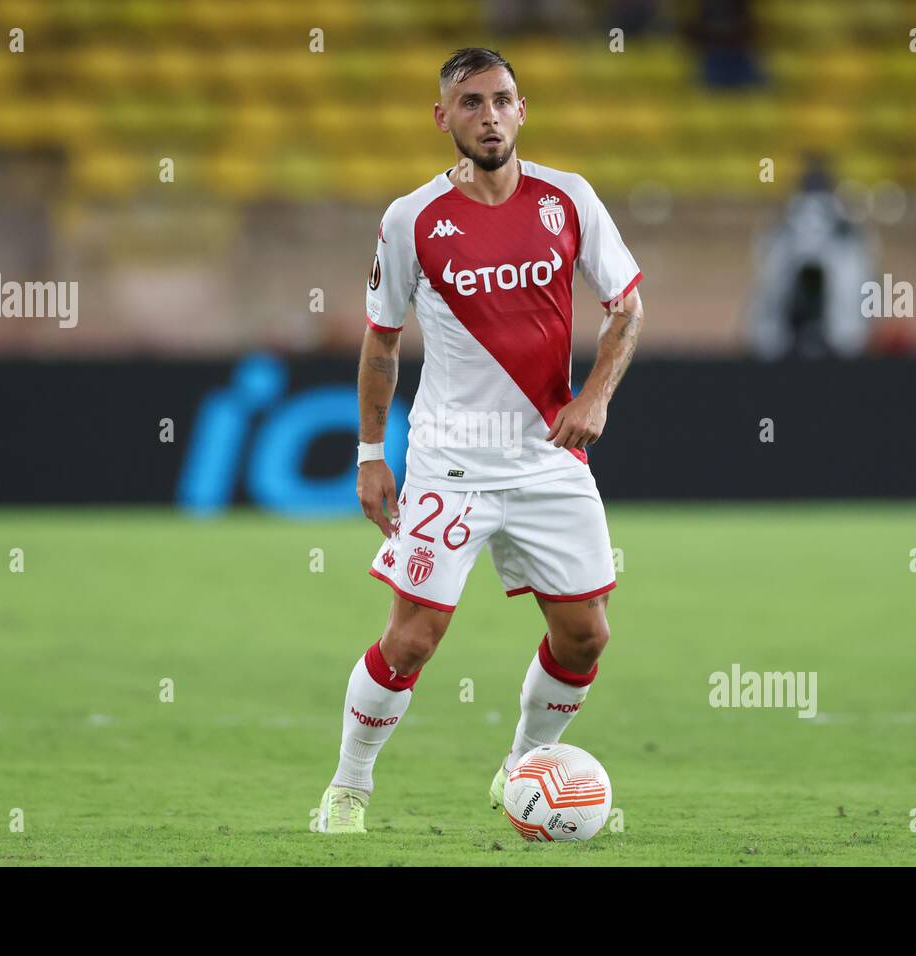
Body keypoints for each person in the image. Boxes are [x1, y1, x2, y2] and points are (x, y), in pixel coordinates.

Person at [319, 48, 645, 833]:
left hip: (548, 459)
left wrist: (595, 397)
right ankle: (348, 790)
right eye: (470, 103)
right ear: (443, 118)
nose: (488, 115)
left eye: (501, 100)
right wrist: (370, 455)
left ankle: (519, 772)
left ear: (522, 109)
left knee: (585, 634)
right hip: (451, 464)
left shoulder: (568, 199)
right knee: (413, 638)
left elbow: (628, 308)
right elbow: (381, 342)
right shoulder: (411, 219)